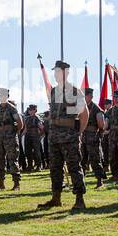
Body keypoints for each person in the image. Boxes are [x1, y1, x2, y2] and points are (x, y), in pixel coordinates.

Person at [39, 60, 89, 211]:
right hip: (54, 137)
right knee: (55, 168)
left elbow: (84, 114)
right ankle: (56, 198)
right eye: (54, 72)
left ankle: (79, 199)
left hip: (69, 137)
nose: (55, 74)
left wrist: (79, 132)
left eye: (58, 72)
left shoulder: (73, 91)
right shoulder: (54, 91)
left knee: (74, 167)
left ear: (66, 73)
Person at [0, 88, 23, 190]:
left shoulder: (12, 108)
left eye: (2, 96)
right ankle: (1, 183)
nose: (0, 97)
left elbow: (20, 123)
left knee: (12, 159)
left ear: (7, 96)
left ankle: (16, 183)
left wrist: (13, 132)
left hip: (10, 137)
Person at [81, 87, 108, 189]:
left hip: (93, 137)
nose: (84, 98)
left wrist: (100, 131)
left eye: (85, 96)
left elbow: (101, 124)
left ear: (90, 96)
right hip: (83, 137)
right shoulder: (81, 107)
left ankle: (100, 181)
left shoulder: (96, 108)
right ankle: (81, 180)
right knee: (81, 159)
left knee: (95, 159)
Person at [22, 105, 44, 171]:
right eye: (29, 110)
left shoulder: (37, 118)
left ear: (35, 110)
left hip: (35, 136)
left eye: (32, 110)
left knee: (37, 151)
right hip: (28, 136)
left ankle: (38, 166)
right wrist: (21, 135)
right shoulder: (27, 118)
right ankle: (30, 166)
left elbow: (41, 127)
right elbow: (25, 128)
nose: (30, 111)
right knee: (28, 151)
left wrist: (40, 135)